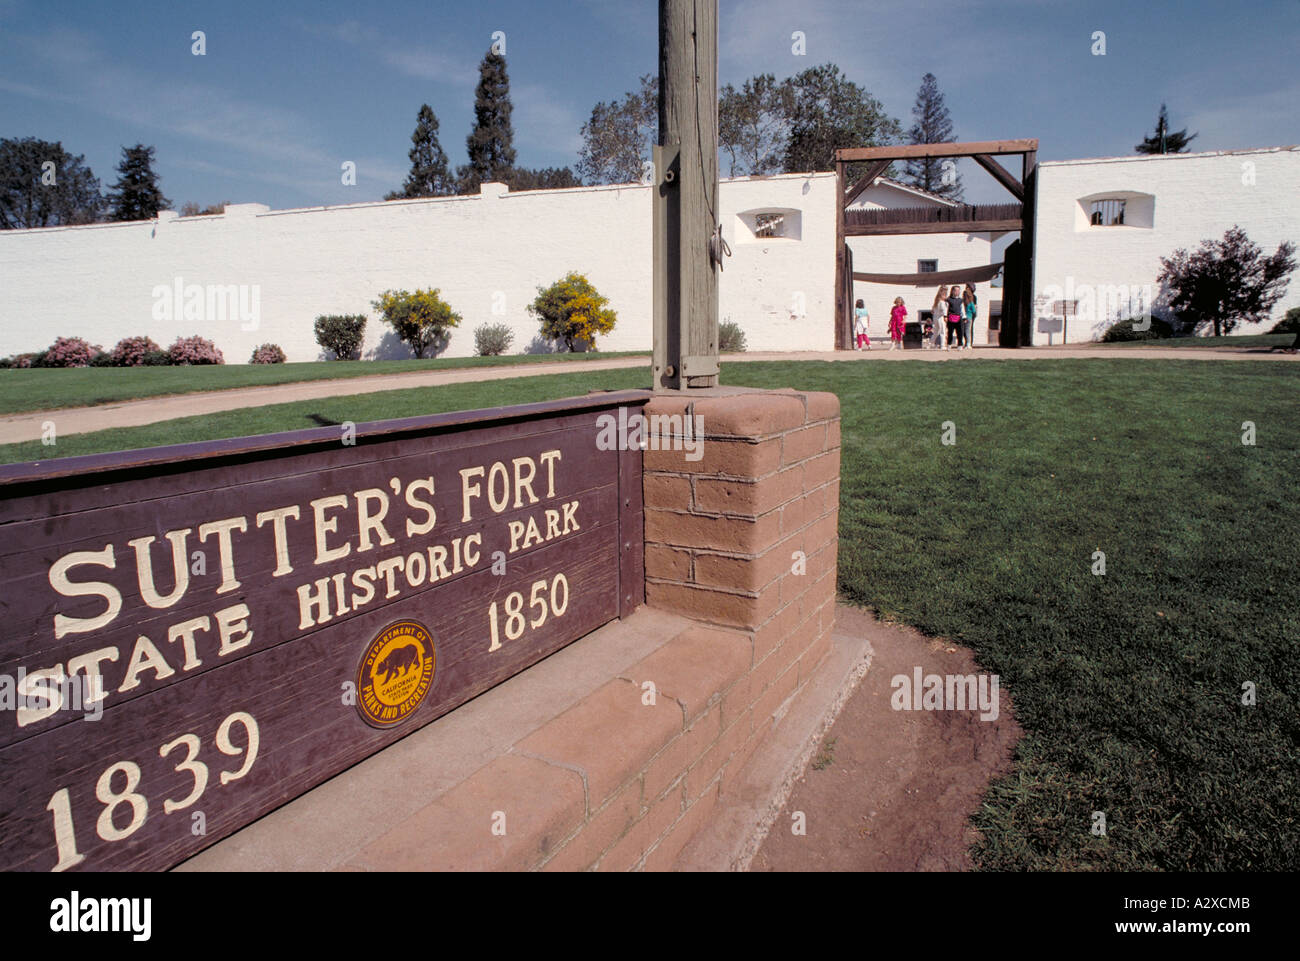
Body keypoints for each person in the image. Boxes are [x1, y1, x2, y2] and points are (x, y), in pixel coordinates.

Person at [962, 284, 978, 350]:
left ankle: (966, 343)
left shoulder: (963, 301)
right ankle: (968, 343)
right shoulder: (972, 301)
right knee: (968, 330)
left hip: (964, 316)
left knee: (964, 330)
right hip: (969, 316)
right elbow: (974, 310)